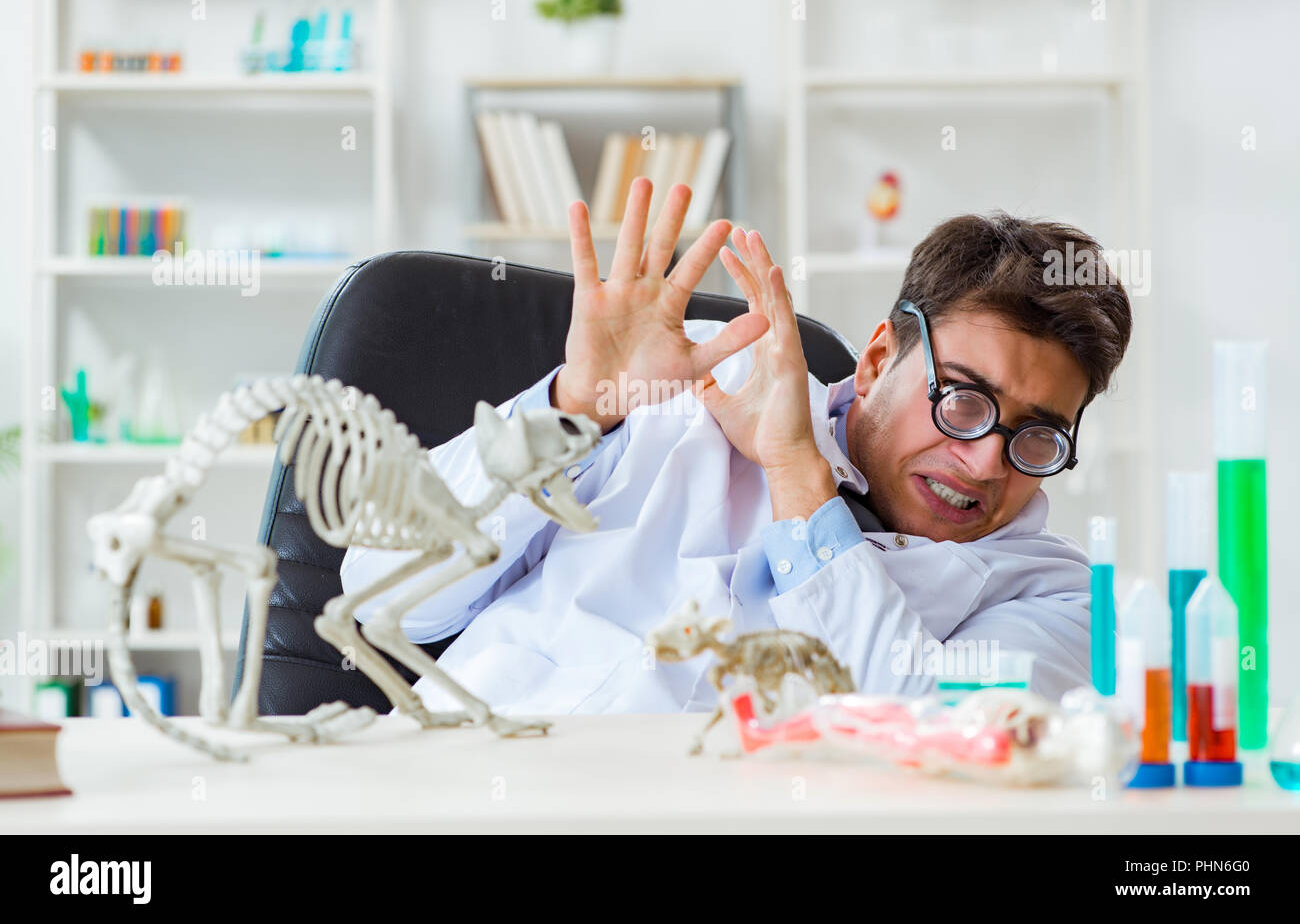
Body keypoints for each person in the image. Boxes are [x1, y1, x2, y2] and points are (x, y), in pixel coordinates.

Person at [340, 177, 1132, 712]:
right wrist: (576, 410)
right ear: (880, 356)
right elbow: (378, 593)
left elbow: (919, 744)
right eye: (963, 399)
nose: (987, 462)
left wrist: (796, 475)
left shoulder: (1056, 597)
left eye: (1036, 435)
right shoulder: (695, 378)